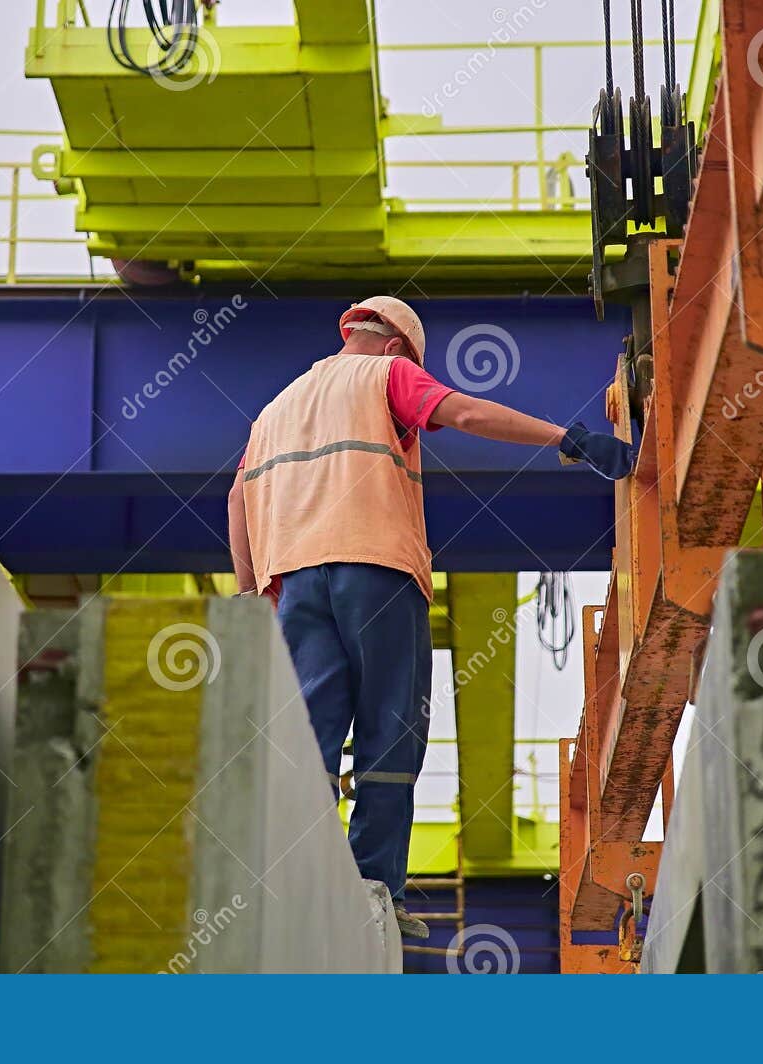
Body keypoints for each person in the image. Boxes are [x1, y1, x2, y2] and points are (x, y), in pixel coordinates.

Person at [226, 295, 635, 938]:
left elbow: (237, 495)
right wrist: (571, 439)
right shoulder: (385, 375)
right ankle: (374, 885)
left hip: (297, 583)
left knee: (312, 731)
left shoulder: (276, 408)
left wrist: (252, 592)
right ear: (397, 347)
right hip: (376, 568)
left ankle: (288, 871)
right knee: (392, 724)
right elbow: (465, 410)